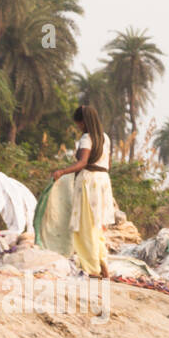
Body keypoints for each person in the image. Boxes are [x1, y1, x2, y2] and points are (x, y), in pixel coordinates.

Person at [52, 105, 114, 277]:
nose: (78, 126)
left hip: (89, 183)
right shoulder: (105, 138)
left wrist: (61, 172)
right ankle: (102, 264)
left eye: (79, 123)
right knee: (96, 227)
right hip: (102, 182)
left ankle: (92, 268)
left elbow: (82, 163)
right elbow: (108, 164)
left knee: (86, 228)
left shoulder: (87, 139)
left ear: (83, 122)